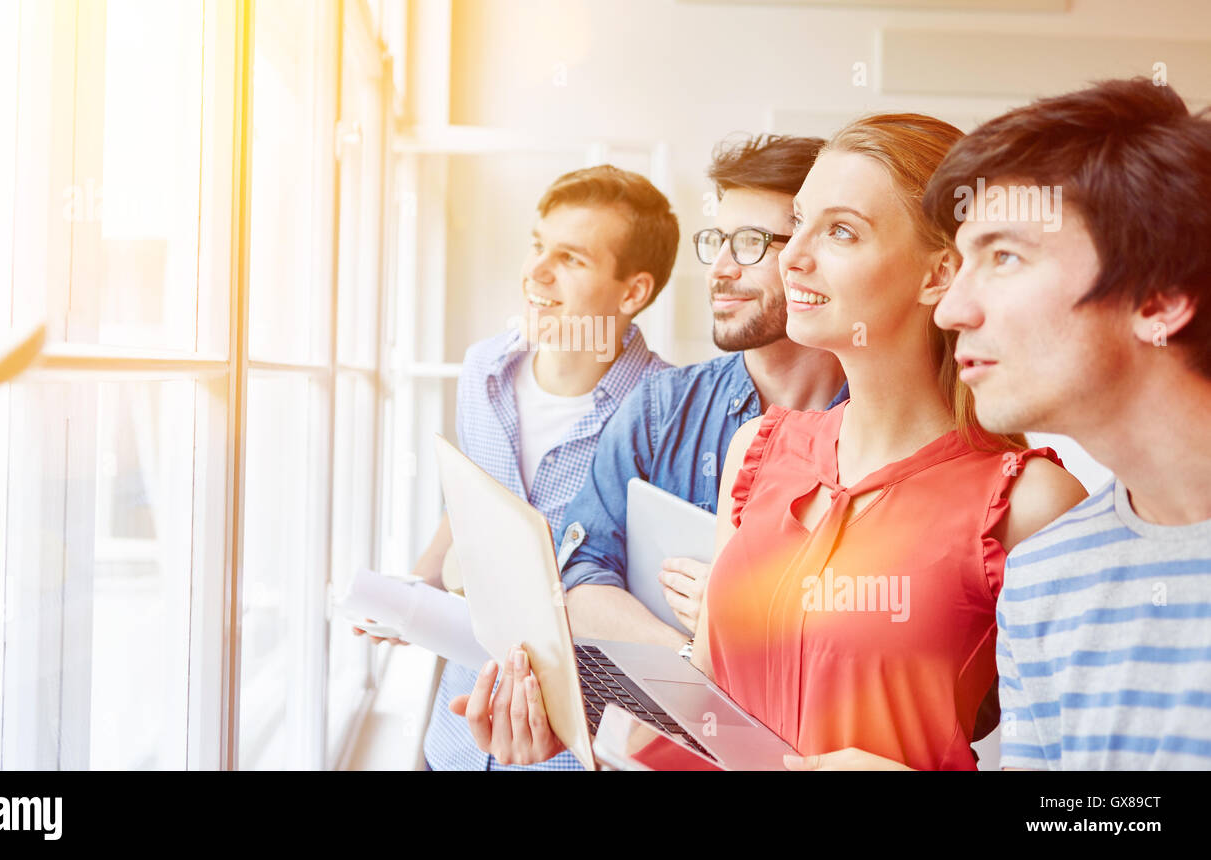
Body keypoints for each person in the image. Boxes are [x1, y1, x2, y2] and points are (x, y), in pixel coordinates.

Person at [453, 114, 1087, 770]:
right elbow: (712, 711)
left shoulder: (1029, 502)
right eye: (800, 223)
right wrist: (572, 725)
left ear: (938, 275)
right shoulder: (757, 452)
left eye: (839, 231)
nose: (793, 257)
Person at [355, 164, 679, 771]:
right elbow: (469, 505)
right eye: (537, 246)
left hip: (569, 752)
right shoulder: (484, 372)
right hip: (452, 738)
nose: (535, 272)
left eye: (571, 258)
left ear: (632, 292)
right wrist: (416, 593)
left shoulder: (669, 416)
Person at [928, 78, 1211, 770]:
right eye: (963, 262)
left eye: (1005, 257)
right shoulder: (1045, 578)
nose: (950, 310)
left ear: (1161, 296)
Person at [557, 134, 847, 652]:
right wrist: (699, 661)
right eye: (717, 241)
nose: (720, 270)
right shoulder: (658, 409)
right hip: (666, 725)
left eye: (751, 243)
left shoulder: (883, 431)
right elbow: (581, 577)